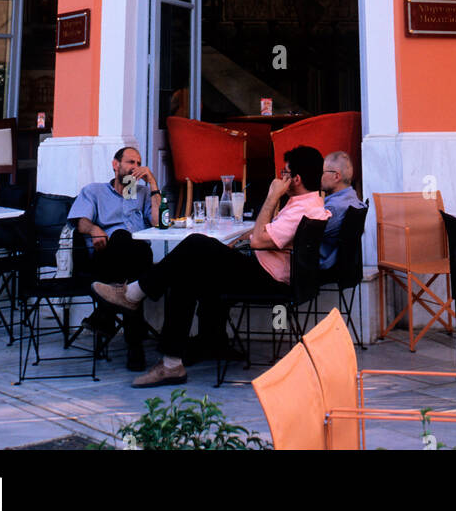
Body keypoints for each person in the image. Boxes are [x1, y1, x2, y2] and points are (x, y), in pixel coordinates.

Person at [93, 144, 330, 386]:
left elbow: (259, 239)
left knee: (195, 244)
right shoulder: (311, 204)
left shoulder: (299, 209)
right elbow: (265, 234)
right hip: (269, 271)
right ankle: (181, 356)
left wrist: (271, 197)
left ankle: (135, 295)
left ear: (296, 179)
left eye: (285, 173)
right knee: (187, 271)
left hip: (269, 280)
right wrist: (242, 238)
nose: (280, 178)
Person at [68, 145, 161, 371]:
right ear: (115, 164)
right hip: (104, 257)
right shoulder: (95, 191)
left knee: (130, 245)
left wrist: (153, 184)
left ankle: (105, 314)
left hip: (139, 255)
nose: (135, 168)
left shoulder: (142, 194)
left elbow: (159, 223)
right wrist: (94, 230)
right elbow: (80, 221)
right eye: (131, 162)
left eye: (139, 164)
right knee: (119, 237)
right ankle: (134, 346)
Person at [320, 151, 364, 272]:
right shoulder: (353, 199)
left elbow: (304, 238)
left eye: (321, 172)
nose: (318, 176)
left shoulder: (334, 208)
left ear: (336, 176)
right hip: (343, 269)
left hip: (321, 266)